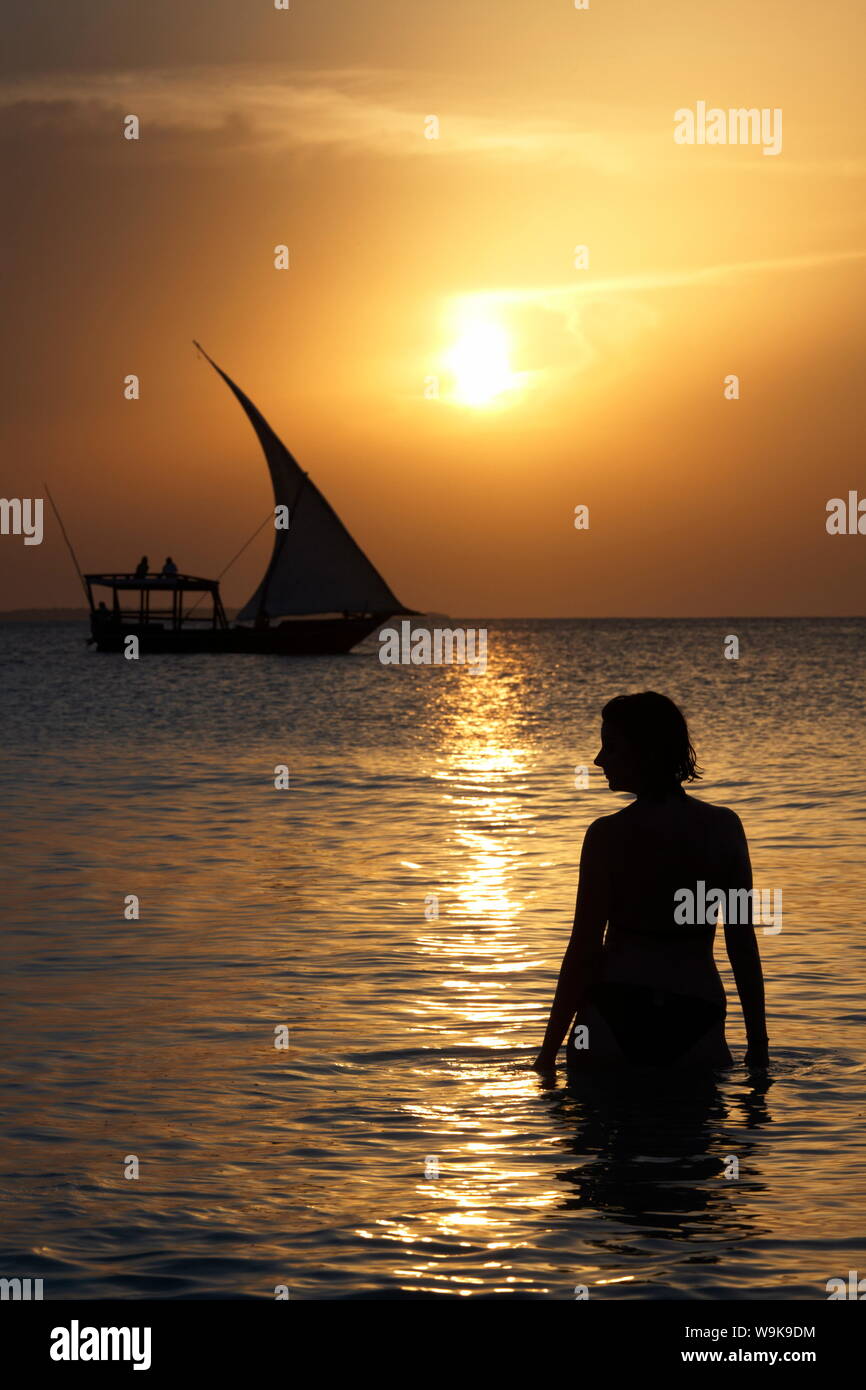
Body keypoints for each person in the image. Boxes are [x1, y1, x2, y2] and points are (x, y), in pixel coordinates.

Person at [532, 692, 768, 1073]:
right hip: (695, 1016)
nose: (598, 759)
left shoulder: (606, 835)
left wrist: (547, 1055)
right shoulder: (724, 828)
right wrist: (758, 1044)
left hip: (613, 1014)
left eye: (611, 747)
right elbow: (741, 940)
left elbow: (584, 949)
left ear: (645, 752)